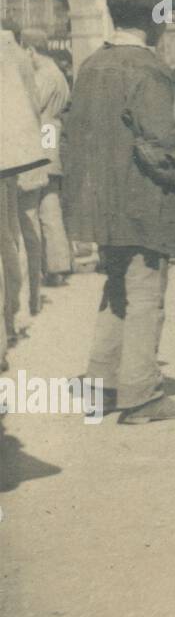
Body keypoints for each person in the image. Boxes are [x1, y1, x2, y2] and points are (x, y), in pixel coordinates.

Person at [62, 0, 175, 423]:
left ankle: (102, 385)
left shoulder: (92, 64)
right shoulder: (148, 68)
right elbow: (158, 144)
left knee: (116, 291)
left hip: (101, 205)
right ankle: (141, 396)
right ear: (154, 18)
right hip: (142, 203)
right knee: (145, 296)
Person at [0, 28, 49, 369]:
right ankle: (9, 323)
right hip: (6, 162)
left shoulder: (7, 48)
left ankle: (7, 326)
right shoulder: (10, 50)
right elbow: (31, 105)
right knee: (7, 244)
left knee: (7, 243)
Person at [19, 28, 72, 289]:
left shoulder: (45, 75)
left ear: (30, 50)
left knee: (39, 210)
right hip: (51, 144)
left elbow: (31, 105)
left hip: (42, 144)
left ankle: (46, 268)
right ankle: (58, 266)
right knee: (50, 209)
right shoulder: (57, 74)